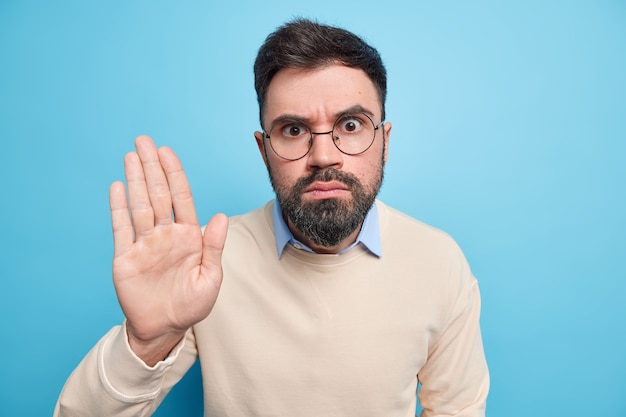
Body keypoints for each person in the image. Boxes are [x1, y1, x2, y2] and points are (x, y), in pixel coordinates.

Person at [54, 18, 489, 417]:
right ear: (265, 150)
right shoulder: (205, 266)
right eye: (294, 130)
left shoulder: (439, 262)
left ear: (384, 141)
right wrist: (145, 342)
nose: (323, 156)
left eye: (351, 125)